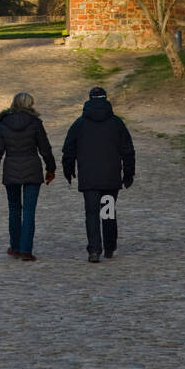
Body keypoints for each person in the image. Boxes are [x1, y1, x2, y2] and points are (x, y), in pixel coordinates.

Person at [62, 86, 135, 263]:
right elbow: (128, 151)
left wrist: (68, 170)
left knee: (92, 214)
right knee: (108, 212)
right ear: (106, 100)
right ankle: (109, 246)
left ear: (89, 100)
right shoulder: (116, 123)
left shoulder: (80, 123)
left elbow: (68, 150)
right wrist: (128, 173)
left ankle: (94, 250)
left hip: (89, 178)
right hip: (110, 178)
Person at [0, 92, 56, 262]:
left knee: (14, 209)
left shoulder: (3, 123)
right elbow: (45, 149)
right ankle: (26, 250)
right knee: (29, 211)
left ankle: (15, 246)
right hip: (33, 170)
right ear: (30, 104)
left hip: (11, 171)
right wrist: (51, 168)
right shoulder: (35, 123)